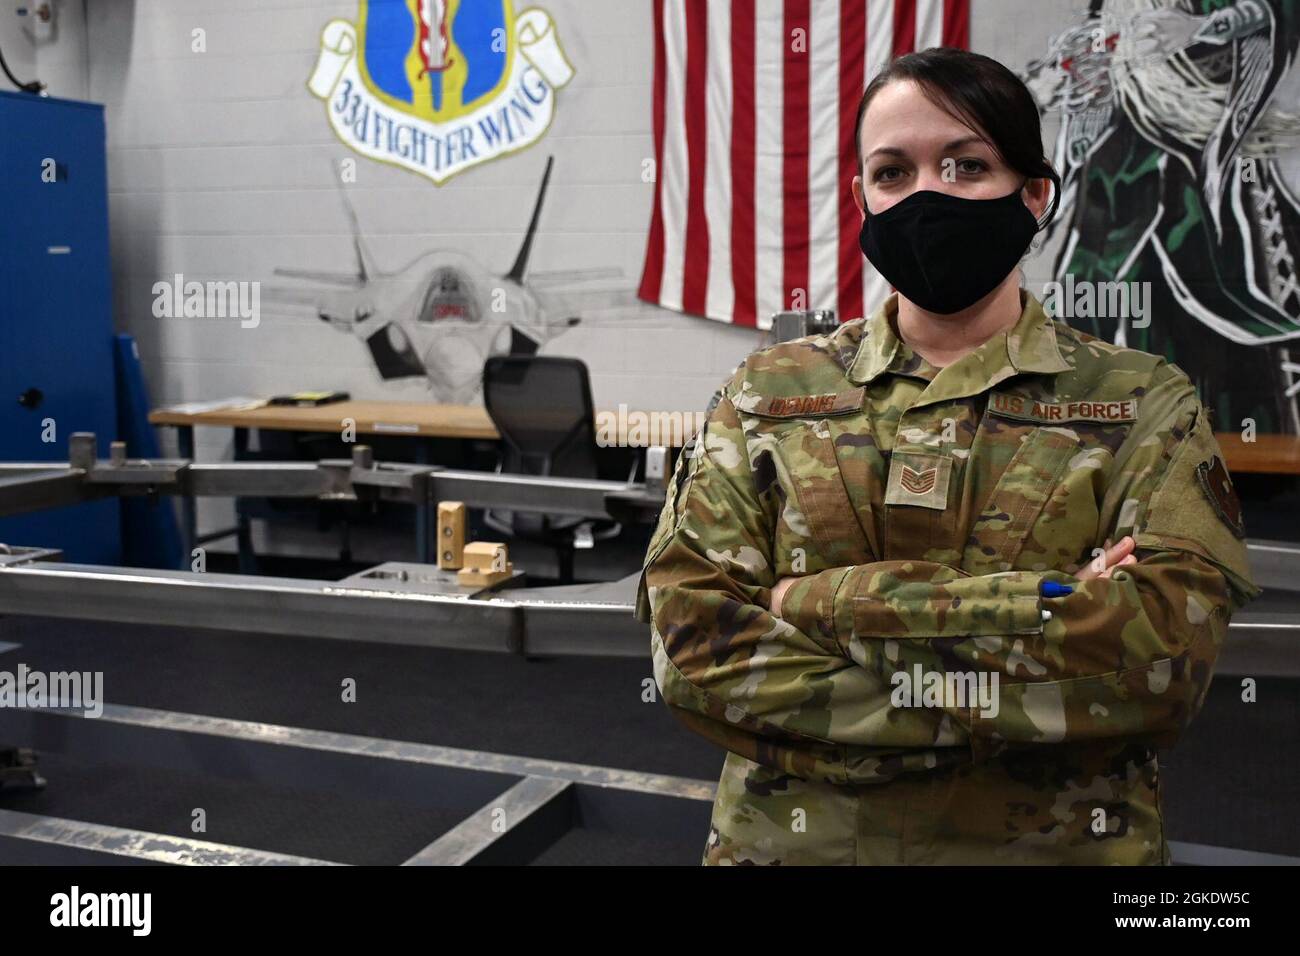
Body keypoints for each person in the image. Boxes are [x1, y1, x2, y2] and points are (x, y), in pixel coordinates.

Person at [634, 47, 1259, 865]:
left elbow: (1160, 667)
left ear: (1034, 194)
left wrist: (814, 604)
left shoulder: (1142, 402)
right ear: (862, 197)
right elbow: (690, 647)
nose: (927, 195)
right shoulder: (768, 392)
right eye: (893, 173)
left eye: (966, 166)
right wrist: (1038, 628)